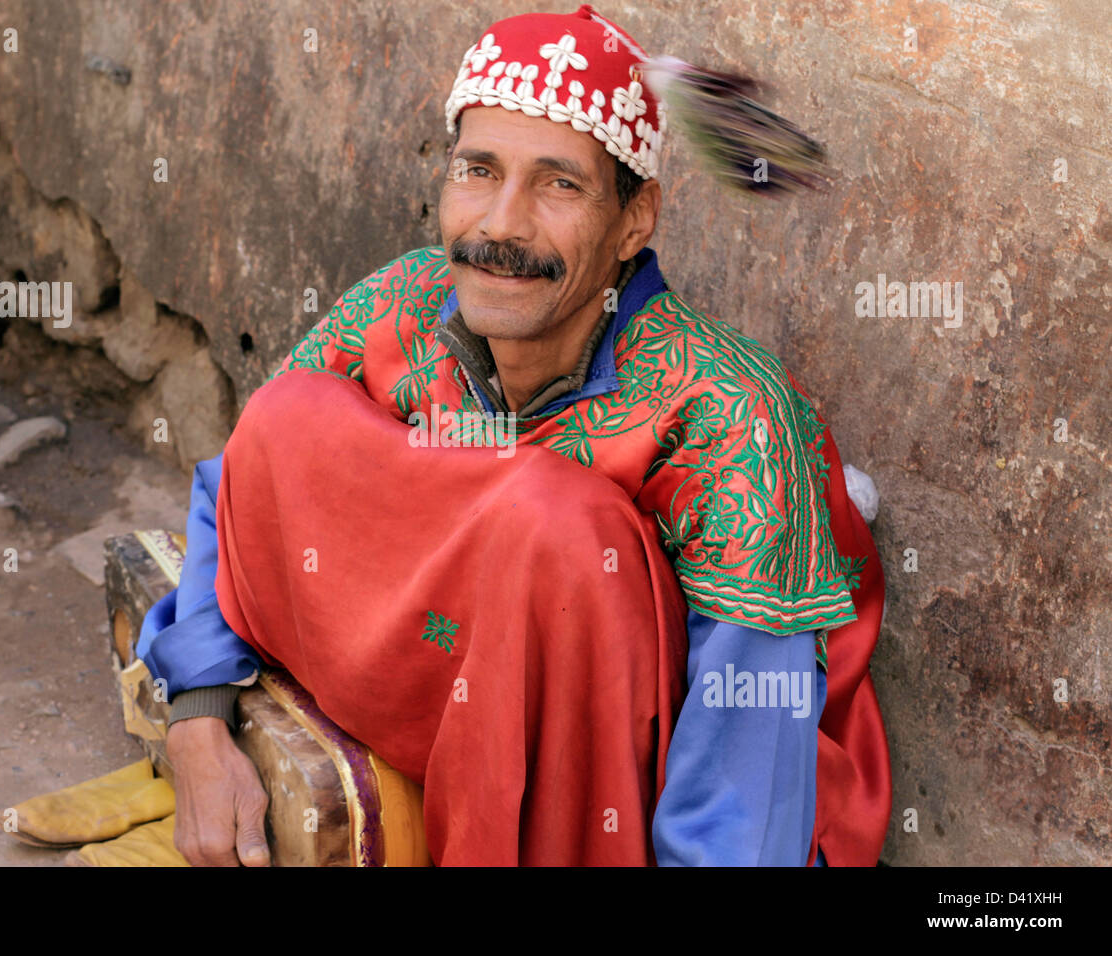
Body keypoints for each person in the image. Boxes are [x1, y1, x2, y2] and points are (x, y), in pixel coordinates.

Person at [139, 3, 891, 867]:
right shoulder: (402, 305)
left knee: (556, 527)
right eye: (478, 171)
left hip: (641, 808)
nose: (501, 225)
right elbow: (242, 489)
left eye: (559, 184)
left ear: (635, 221)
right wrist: (198, 722)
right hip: (467, 717)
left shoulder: (733, 419)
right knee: (293, 416)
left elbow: (745, 797)